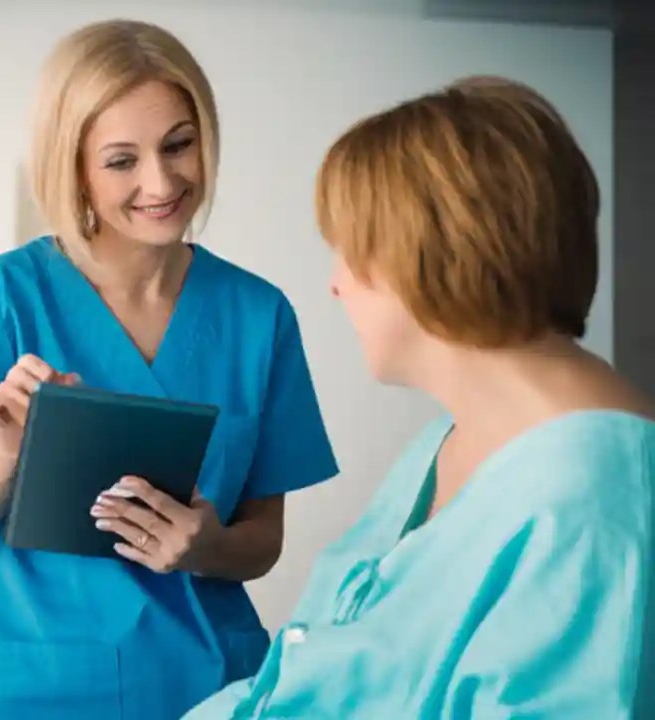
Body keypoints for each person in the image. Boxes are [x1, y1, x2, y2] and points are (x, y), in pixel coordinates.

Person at [0, 19, 339, 720]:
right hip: (43, 693)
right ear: (75, 168)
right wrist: (7, 452)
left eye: (179, 145)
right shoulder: (0, 302)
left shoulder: (258, 315)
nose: (161, 182)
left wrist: (207, 546)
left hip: (216, 690)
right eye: (122, 160)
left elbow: (262, 540)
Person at [185, 76, 655, 719]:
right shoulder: (447, 443)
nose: (335, 284)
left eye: (349, 252)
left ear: (424, 254)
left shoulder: (592, 496)